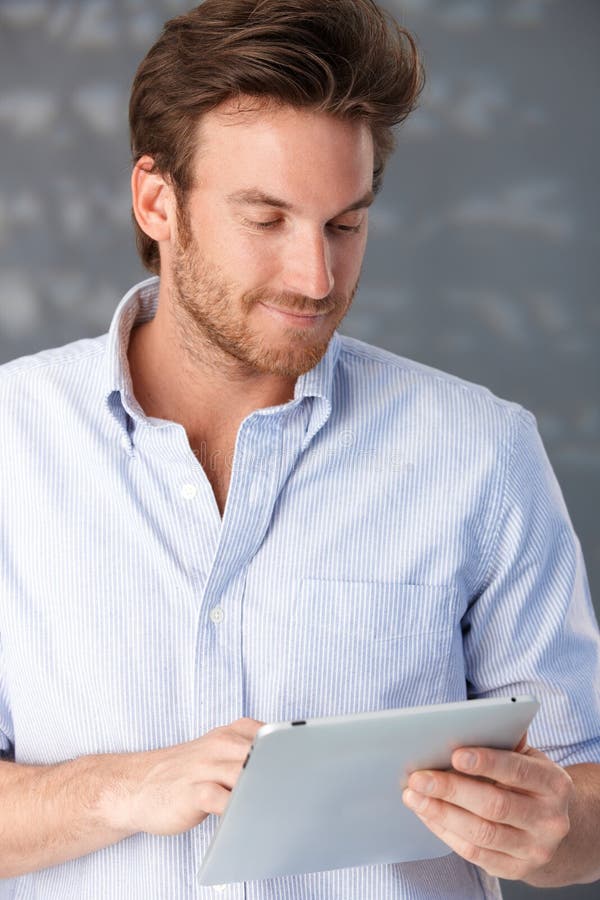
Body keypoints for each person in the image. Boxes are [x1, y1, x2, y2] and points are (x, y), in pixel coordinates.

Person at [0, 0, 599, 897]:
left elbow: (582, 784)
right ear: (158, 201)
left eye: (345, 225)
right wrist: (122, 789)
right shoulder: (10, 444)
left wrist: (561, 830)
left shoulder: (481, 451)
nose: (316, 278)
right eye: (266, 219)